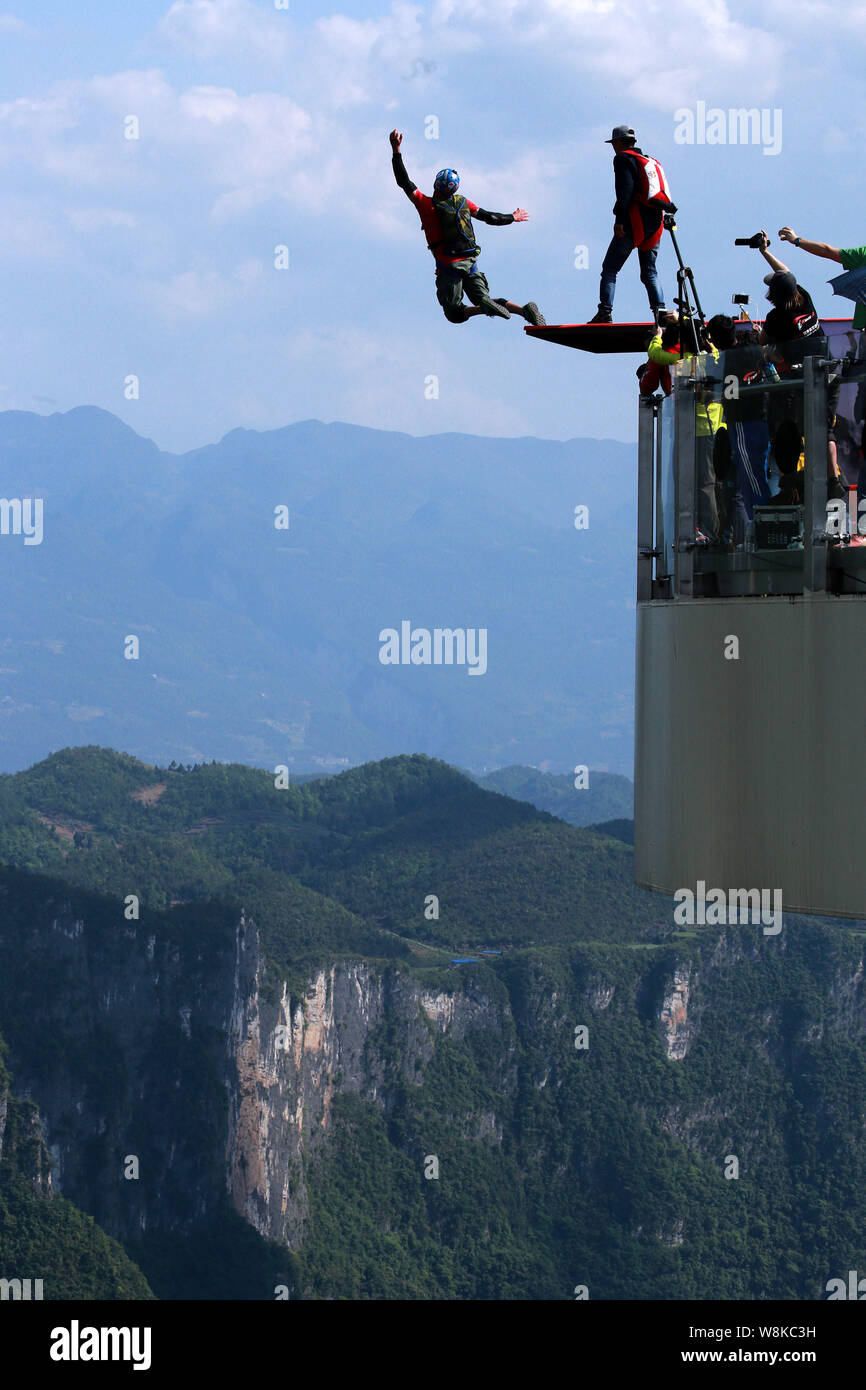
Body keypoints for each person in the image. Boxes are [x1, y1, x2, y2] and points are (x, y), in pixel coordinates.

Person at [389, 130, 545, 327]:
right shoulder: (464, 203)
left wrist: (396, 149)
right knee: (484, 298)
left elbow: (403, 181)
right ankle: (525, 311)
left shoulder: (425, 204)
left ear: (436, 183)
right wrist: (513, 217)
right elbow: (490, 217)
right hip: (471, 262)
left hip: (449, 266)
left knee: (453, 313)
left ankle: (484, 308)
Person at [751, 232, 845, 499]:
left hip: (803, 382)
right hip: (829, 373)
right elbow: (786, 272)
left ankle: (795, 482)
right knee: (826, 431)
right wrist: (764, 252)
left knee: (795, 430)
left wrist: (761, 335)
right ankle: (834, 481)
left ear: (772, 296)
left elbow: (763, 342)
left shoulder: (776, 317)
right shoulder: (804, 297)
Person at [647, 311, 723, 539]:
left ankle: (694, 530)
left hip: (689, 427)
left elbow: (655, 353)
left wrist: (658, 335)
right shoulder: (714, 355)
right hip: (714, 426)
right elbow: (705, 338)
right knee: (707, 483)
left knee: (686, 481)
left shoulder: (683, 359)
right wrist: (682, 319)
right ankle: (711, 531)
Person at [590, 125, 671, 325]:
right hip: (656, 224)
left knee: (609, 268)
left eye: (613, 143)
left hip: (633, 223)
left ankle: (605, 312)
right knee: (650, 271)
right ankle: (660, 314)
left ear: (618, 142)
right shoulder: (650, 161)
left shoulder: (622, 159)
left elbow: (624, 192)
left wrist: (619, 221)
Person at [705, 314, 772, 531]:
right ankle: (763, 521)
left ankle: (761, 525)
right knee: (760, 471)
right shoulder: (752, 349)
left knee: (750, 475)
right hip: (763, 416)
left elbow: (730, 395)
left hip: (743, 421)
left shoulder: (729, 361)